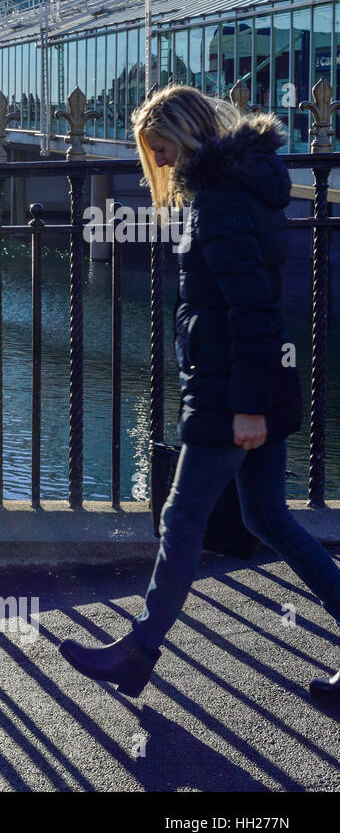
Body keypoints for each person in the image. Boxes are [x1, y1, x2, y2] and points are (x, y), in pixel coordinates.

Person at [58, 84, 340, 705]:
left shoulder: (219, 204)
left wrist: (245, 408)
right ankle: (139, 653)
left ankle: (138, 653)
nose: (156, 164)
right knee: (267, 516)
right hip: (251, 383)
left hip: (229, 395)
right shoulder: (246, 189)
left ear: (186, 138)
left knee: (182, 518)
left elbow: (250, 312)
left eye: (160, 149)